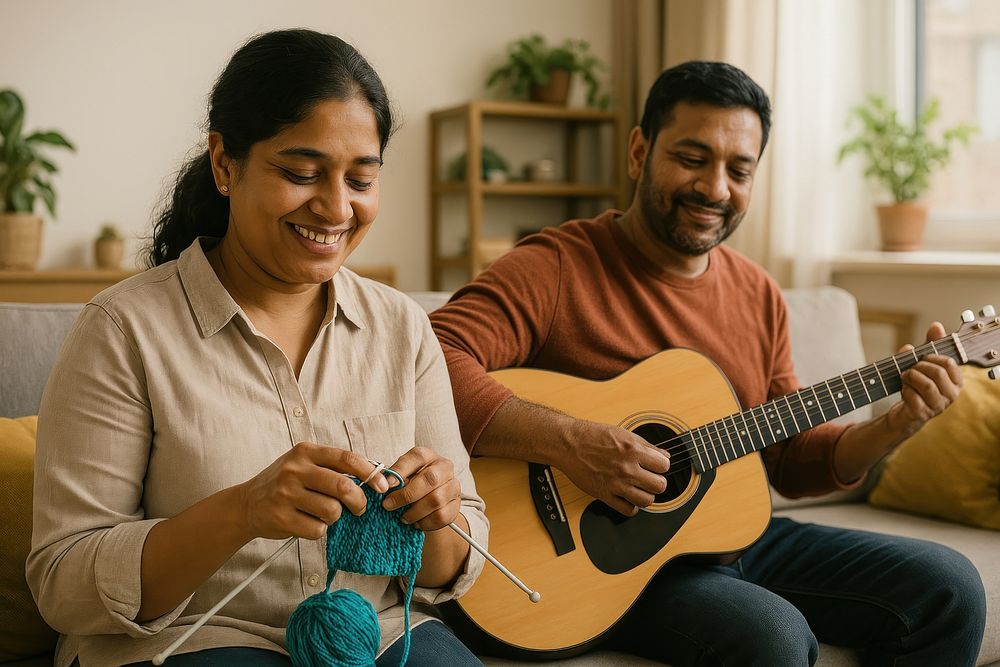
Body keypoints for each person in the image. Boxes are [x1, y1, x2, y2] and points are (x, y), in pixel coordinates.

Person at [430, 61, 986, 665]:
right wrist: (571, 444)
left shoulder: (758, 293)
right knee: (771, 638)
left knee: (948, 587)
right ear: (639, 152)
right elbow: (428, 361)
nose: (716, 188)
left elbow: (793, 463)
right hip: (605, 563)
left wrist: (895, 423)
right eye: (692, 159)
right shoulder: (557, 266)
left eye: (738, 169)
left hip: (737, 536)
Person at [27, 29, 486, 667]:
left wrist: (439, 516)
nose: (335, 208)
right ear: (224, 163)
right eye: (301, 173)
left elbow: (452, 569)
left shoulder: (403, 328)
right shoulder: (124, 329)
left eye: (361, 179)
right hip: (187, 640)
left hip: (372, 634)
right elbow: (63, 581)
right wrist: (242, 510)